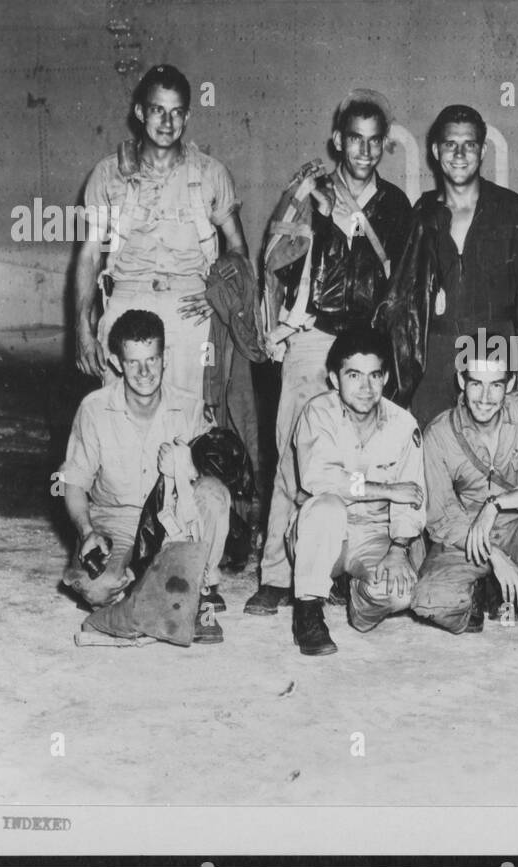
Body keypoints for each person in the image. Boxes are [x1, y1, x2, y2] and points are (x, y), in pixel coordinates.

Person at [247, 90, 414, 616]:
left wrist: (391, 354)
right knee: (293, 453)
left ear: (382, 145)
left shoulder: (395, 206)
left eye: (374, 142)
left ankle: (346, 560)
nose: (363, 151)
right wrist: (277, 330)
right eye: (354, 140)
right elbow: (273, 261)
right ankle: (277, 572)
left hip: (365, 343)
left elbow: (403, 285)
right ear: (338, 140)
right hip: (314, 335)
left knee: (361, 455)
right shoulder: (309, 192)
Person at [75, 64, 248, 399]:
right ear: (140, 112)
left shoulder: (211, 174)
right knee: (122, 425)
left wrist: (220, 295)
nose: (167, 123)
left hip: (191, 313)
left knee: (194, 425)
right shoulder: (107, 174)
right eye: (158, 110)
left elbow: (238, 248)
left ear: (187, 116)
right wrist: (83, 327)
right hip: (126, 305)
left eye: (176, 112)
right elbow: (90, 253)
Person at [59, 310, 230, 640]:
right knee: (98, 590)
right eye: (133, 362)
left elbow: (217, 475)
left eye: (152, 360)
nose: (144, 372)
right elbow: (74, 482)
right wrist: (87, 531)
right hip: (115, 522)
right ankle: (157, 588)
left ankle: (201, 592)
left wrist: (187, 466)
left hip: (171, 523)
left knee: (214, 493)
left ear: (164, 357)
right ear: (117, 362)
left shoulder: (191, 407)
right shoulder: (94, 408)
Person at [414, 343, 518, 652]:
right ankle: (483, 585)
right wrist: (493, 556)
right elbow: (440, 517)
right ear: (462, 382)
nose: (485, 397)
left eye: (496, 386)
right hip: (471, 538)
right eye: (476, 384)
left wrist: (497, 504)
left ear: (511, 384)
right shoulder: (439, 434)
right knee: (428, 601)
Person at [387, 105, 518, 426]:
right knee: (432, 455)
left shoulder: (513, 209)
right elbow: (404, 302)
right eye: (450, 144)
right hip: (435, 354)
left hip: (496, 348)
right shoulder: (421, 213)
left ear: (482, 150)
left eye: (469, 145)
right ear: (435, 150)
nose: (459, 154)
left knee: (499, 460)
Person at [282, 326, 426, 656]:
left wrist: (398, 549)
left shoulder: (404, 425)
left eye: (375, 376)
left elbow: (413, 496)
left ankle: (358, 603)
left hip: (375, 534)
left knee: (399, 594)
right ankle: (308, 612)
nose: (366, 388)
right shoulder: (317, 413)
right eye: (354, 376)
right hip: (325, 534)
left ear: (386, 377)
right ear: (334, 378)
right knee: (326, 508)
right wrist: (386, 489)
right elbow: (320, 479)